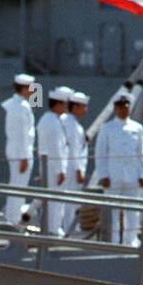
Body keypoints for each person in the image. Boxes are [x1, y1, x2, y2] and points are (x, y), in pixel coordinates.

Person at [94, 92, 143, 245]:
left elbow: (141, 153)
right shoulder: (107, 128)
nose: (123, 110)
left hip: (131, 176)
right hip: (113, 176)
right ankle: (114, 240)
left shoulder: (137, 128)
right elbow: (101, 153)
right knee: (114, 211)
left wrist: (142, 174)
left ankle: (131, 240)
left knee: (133, 211)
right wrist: (103, 175)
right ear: (115, 109)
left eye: (126, 107)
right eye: (120, 107)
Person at [35, 86, 71, 235]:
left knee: (52, 200)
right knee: (56, 199)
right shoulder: (53, 122)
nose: (67, 107)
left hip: (49, 166)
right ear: (59, 104)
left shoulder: (49, 119)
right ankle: (54, 230)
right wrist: (61, 170)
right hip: (53, 167)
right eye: (65, 104)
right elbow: (56, 149)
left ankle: (53, 228)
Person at [2, 73, 36, 225]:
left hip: (16, 151)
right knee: (19, 188)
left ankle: (12, 219)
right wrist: (24, 157)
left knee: (17, 187)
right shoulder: (21, 106)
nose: (32, 91)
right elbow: (22, 132)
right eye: (30, 88)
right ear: (23, 89)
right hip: (21, 153)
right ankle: (14, 221)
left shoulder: (16, 104)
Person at [62, 90, 89, 235]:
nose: (86, 109)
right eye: (84, 106)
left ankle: (68, 228)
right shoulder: (71, 124)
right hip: (72, 169)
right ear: (76, 107)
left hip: (69, 168)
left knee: (68, 200)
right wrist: (79, 170)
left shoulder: (69, 122)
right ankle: (68, 230)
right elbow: (73, 149)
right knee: (70, 201)